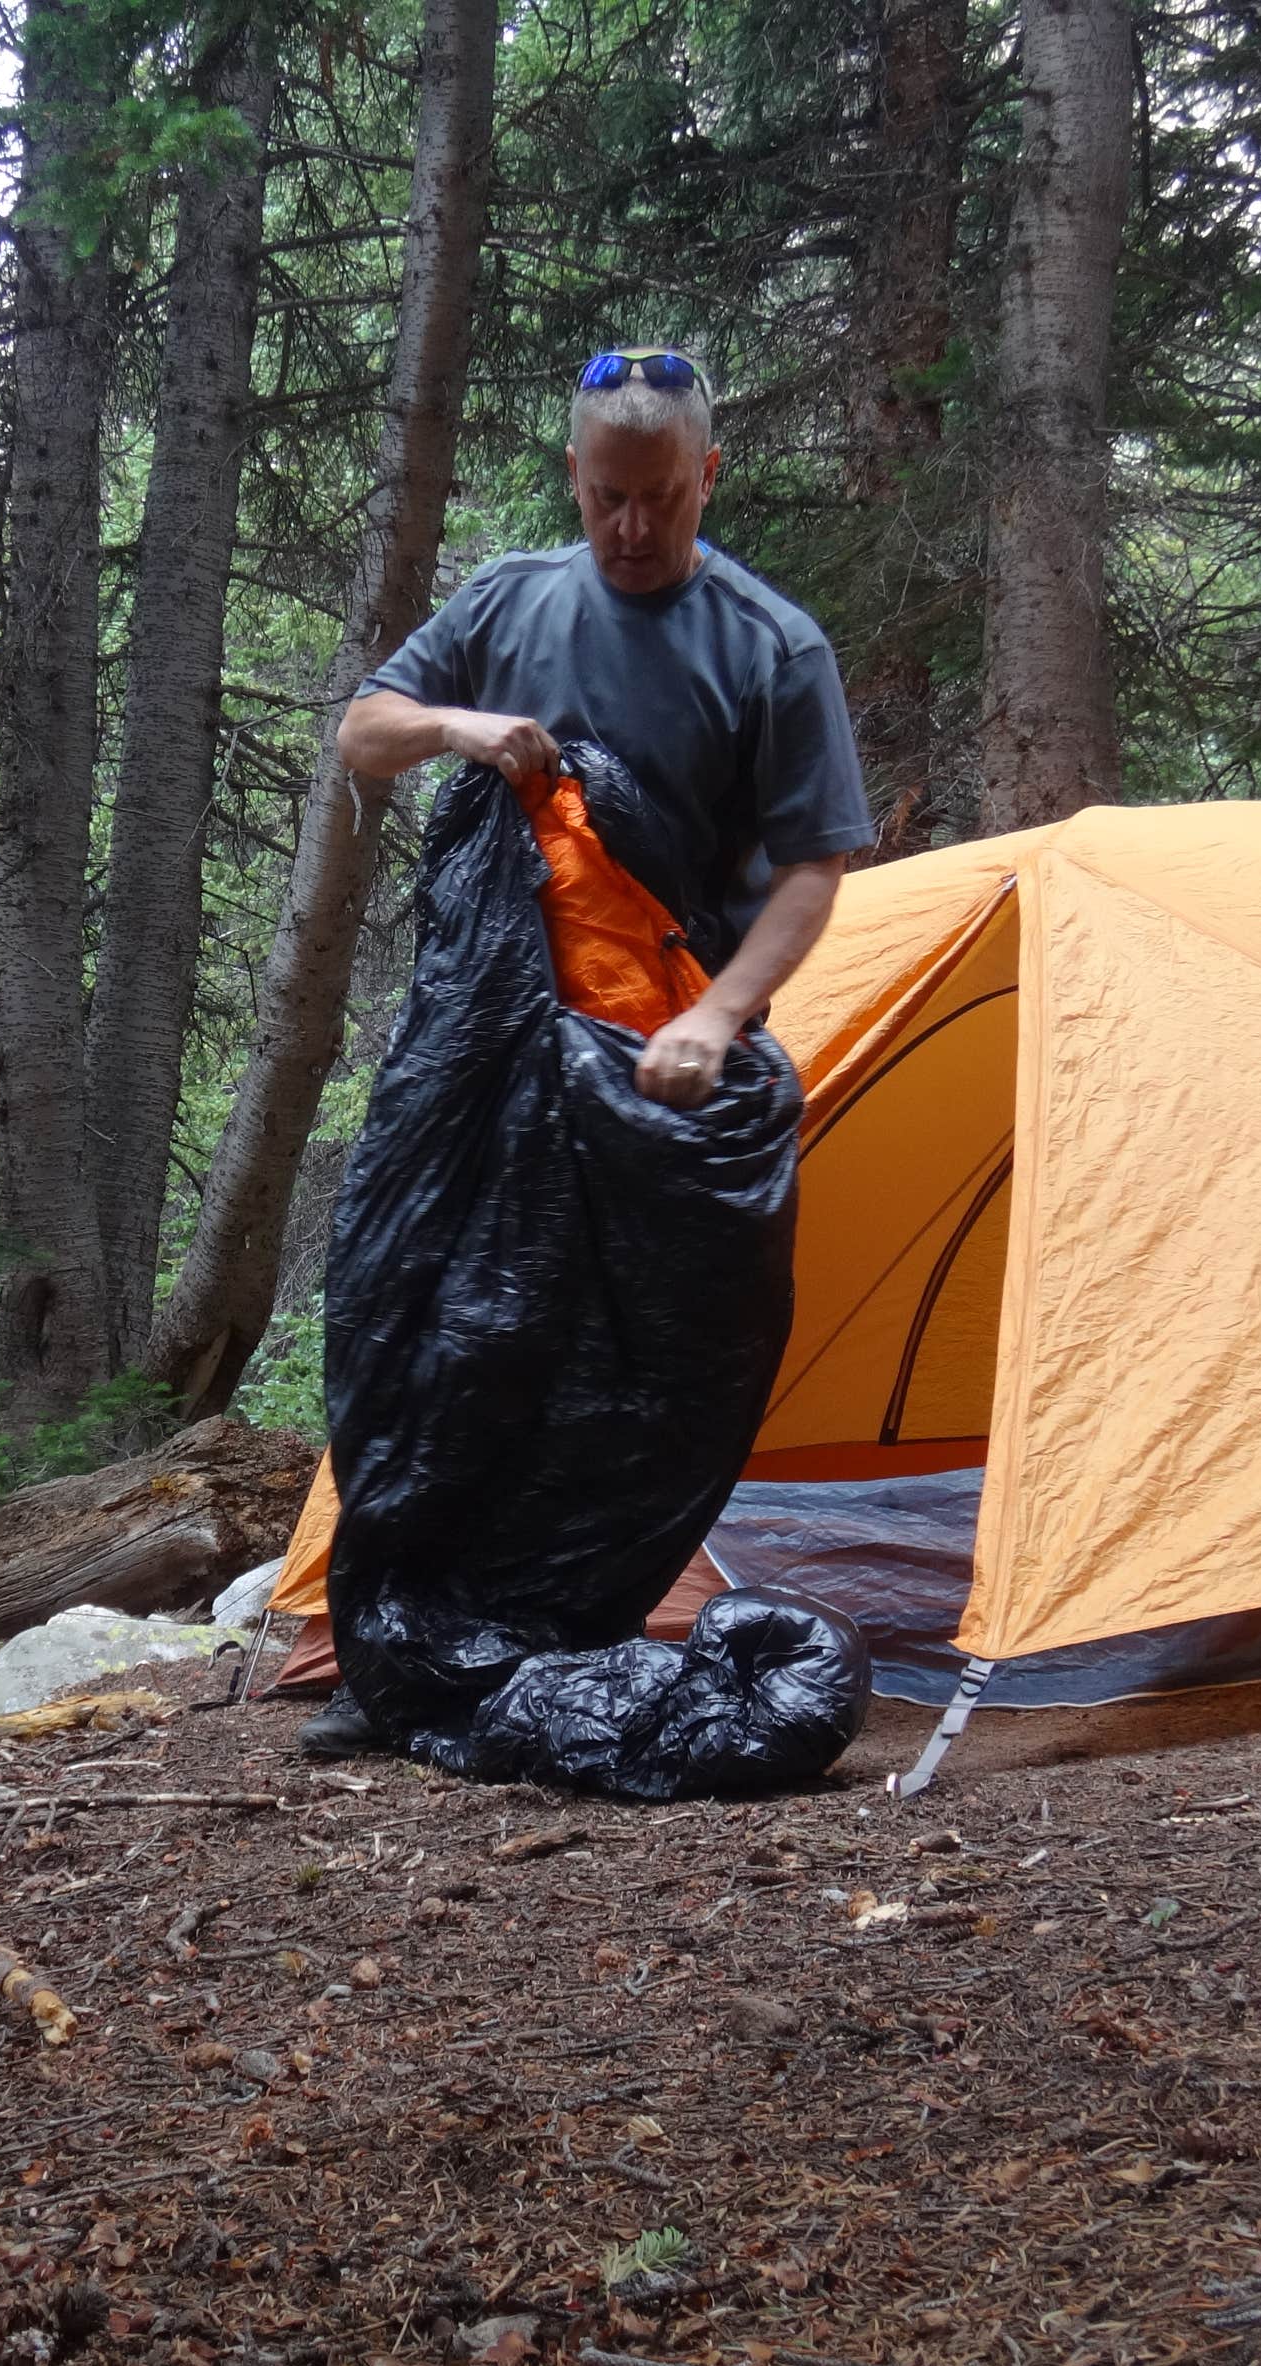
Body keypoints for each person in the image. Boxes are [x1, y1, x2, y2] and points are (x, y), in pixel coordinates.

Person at [300, 349, 874, 1757]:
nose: (632, 525)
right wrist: (458, 723)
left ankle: (557, 1645)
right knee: (432, 1346)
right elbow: (365, 733)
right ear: (575, 475)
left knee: (639, 1386)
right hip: (488, 1066)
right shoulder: (511, 600)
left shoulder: (770, 645)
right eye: (608, 495)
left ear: (707, 477)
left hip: (656, 1073)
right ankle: (406, 1661)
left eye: (661, 497)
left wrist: (717, 1017)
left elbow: (814, 867)